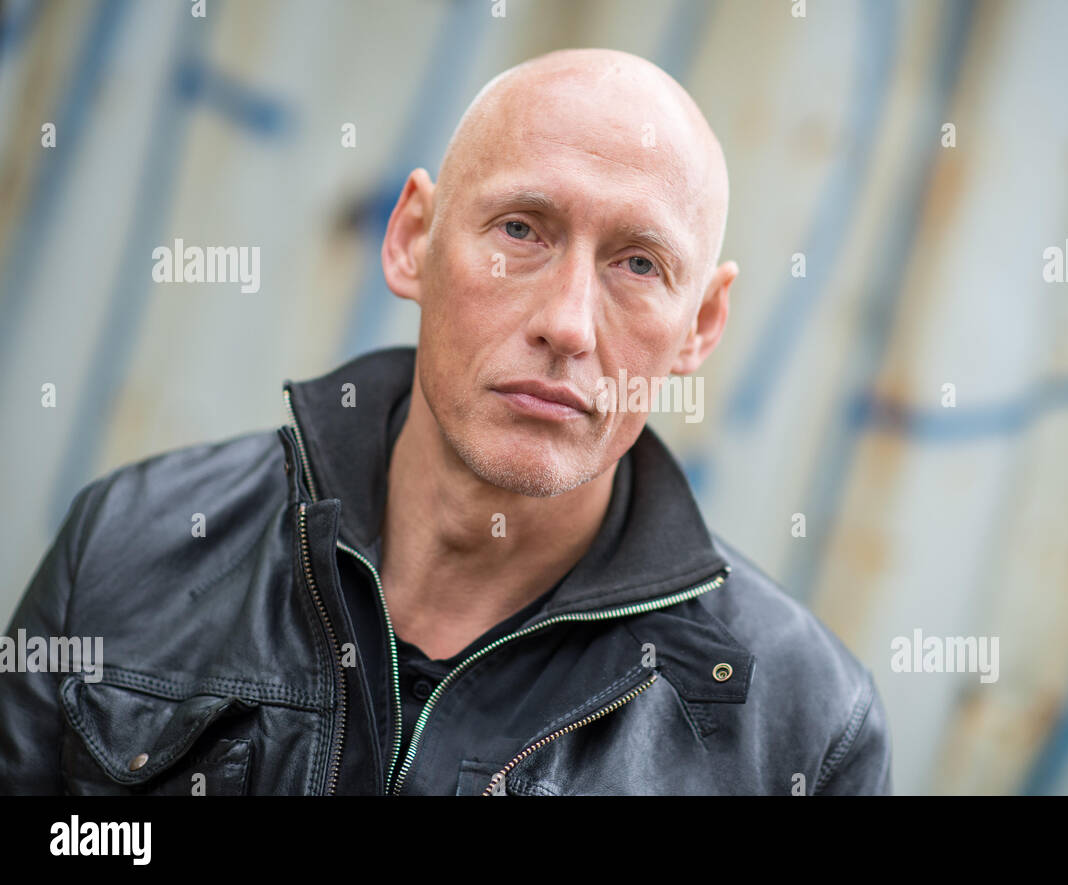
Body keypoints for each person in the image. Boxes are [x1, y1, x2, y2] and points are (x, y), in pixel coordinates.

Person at [0, 47, 891, 795]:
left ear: (700, 326)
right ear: (412, 239)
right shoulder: (128, 545)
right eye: (520, 229)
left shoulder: (803, 731)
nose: (569, 324)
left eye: (639, 263)